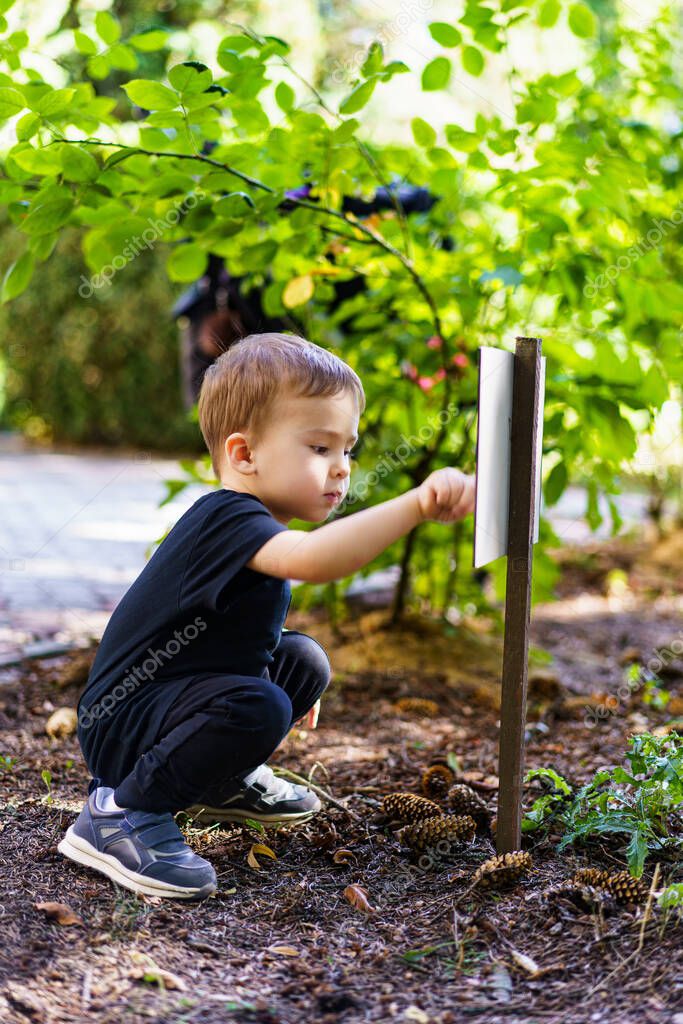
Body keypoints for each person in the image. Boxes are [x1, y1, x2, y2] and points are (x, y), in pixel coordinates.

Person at [58, 332, 475, 901]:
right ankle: (119, 813)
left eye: (347, 450)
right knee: (262, 704)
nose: (341, 469)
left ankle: (219, 780)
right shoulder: (228, 517)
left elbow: (227, 634)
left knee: (302, 660)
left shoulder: (251, 522)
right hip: (123, 723)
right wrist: (414, 506)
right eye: (320, 448)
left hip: (170, 703)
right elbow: (315, 561)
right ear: (244, 454)